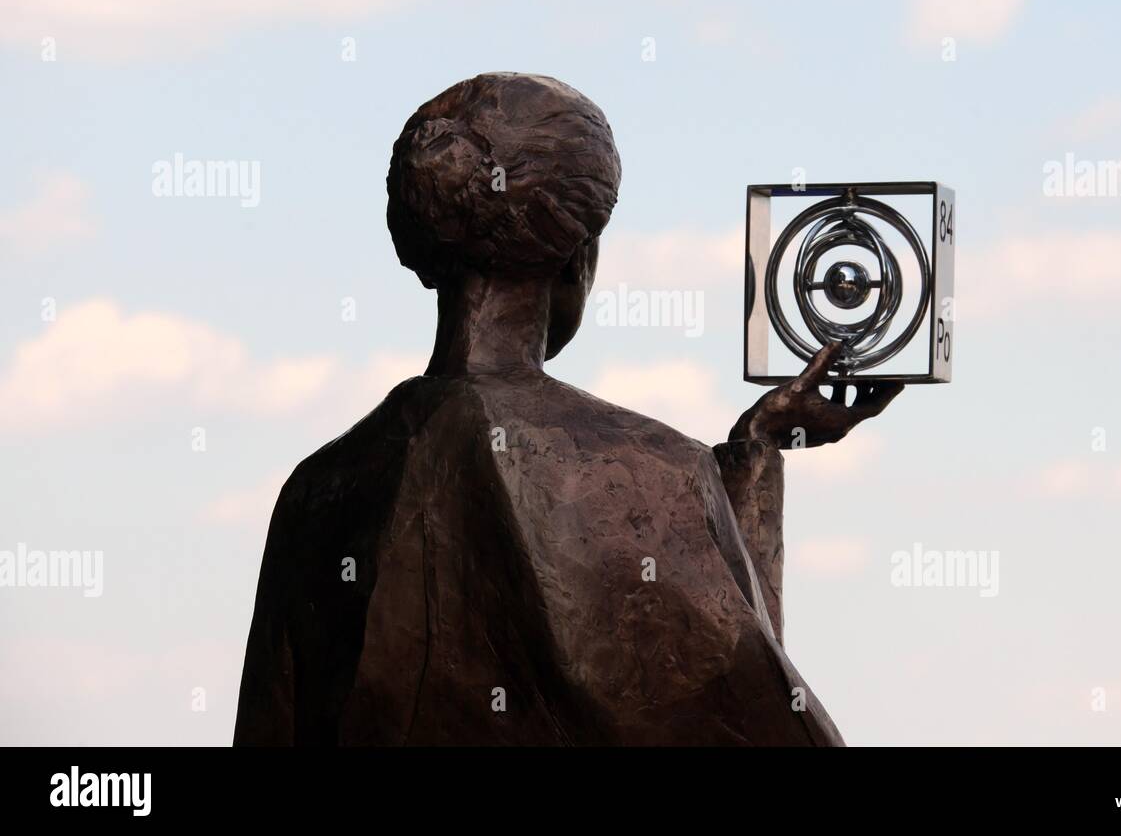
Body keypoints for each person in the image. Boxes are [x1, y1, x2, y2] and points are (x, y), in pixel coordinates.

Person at [233, 72, 902, 745]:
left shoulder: (316, 493)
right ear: (577, 256)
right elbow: (757, 729)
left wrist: (752, 455)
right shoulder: (654, 475)